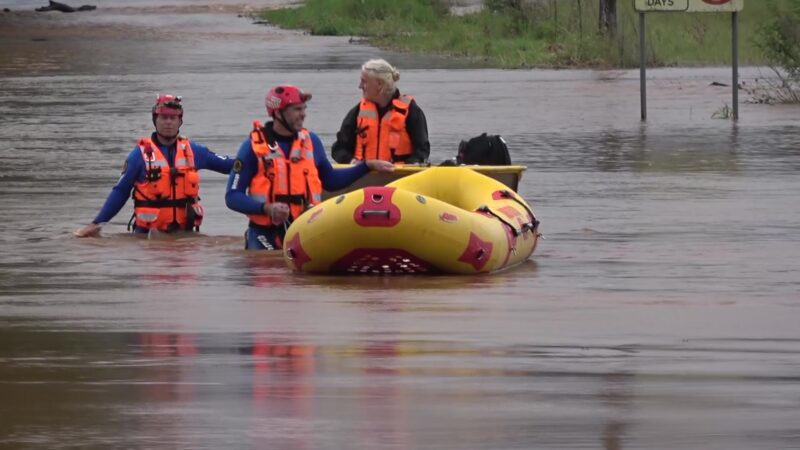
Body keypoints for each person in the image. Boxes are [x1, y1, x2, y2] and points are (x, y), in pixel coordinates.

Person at [226, 84, 394, 250]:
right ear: (277, 113)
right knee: (268, 270)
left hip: (306, 228)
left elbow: (331, 181)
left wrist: (366, 166)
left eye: (304, 109)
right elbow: (232, 196)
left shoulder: (312, 141)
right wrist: (266, 208)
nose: (303, 115)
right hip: (264, 232)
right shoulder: (252, 147)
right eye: (297, 110)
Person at [74, 94, 234, 237]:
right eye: (163, 117)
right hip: (147, 238)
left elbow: (230, 166)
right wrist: (97, 223)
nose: (168, 123)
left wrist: (255, 156)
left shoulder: (195, 151)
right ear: (155, 120)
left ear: (180, 121)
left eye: (173, 118)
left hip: (185, 237)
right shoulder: (139, 155)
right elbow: (121, 192)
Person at [331, 59, 430, 165]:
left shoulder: (411, 111)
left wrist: (410, 164)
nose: (360, 86)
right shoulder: (358, 112)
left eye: (364, 81)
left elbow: (422, 151)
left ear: (379, 84)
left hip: (398, 175)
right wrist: (352, 161)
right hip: (364, 175)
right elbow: (338, 149)